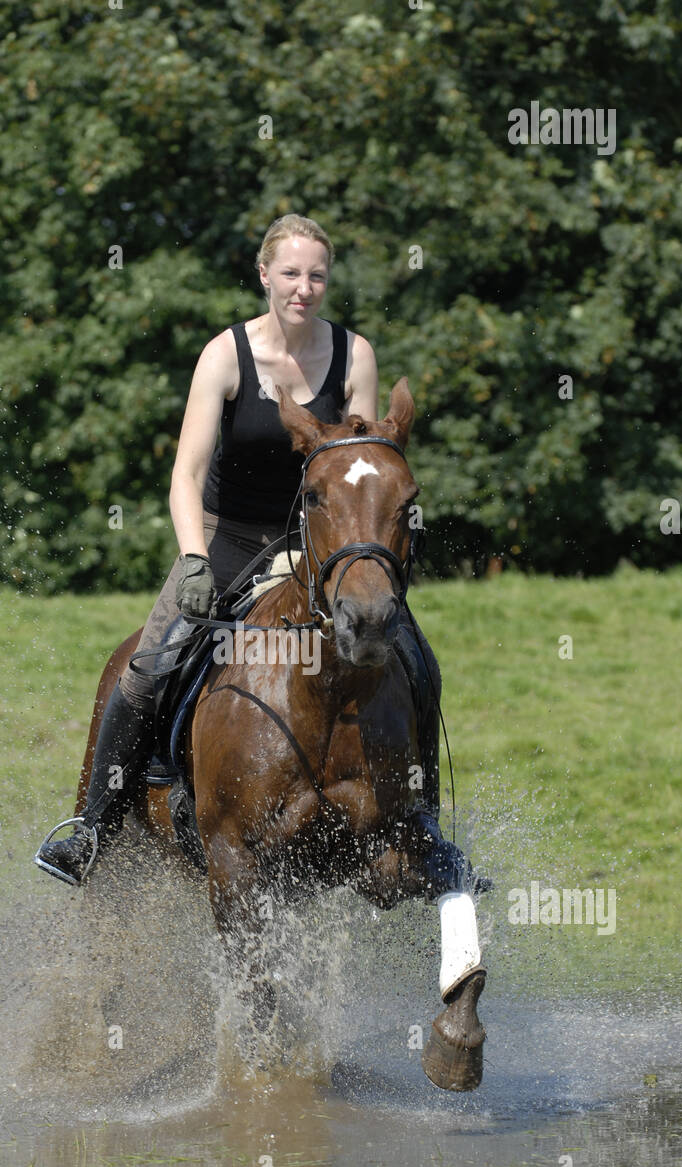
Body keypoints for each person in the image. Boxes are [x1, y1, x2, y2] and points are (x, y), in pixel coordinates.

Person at [35, 213, 465, 893]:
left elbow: (358, 463)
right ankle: (91, 824)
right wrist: (194, 559)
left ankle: (425, 826)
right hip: (225, 539)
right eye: (291, 273)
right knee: (148, 664)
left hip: (316, 544)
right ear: (265, 274)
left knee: (412, 656)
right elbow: (184, 474)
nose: (304, 287)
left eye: (317, 274)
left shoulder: (355, 355)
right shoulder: (225, 356)